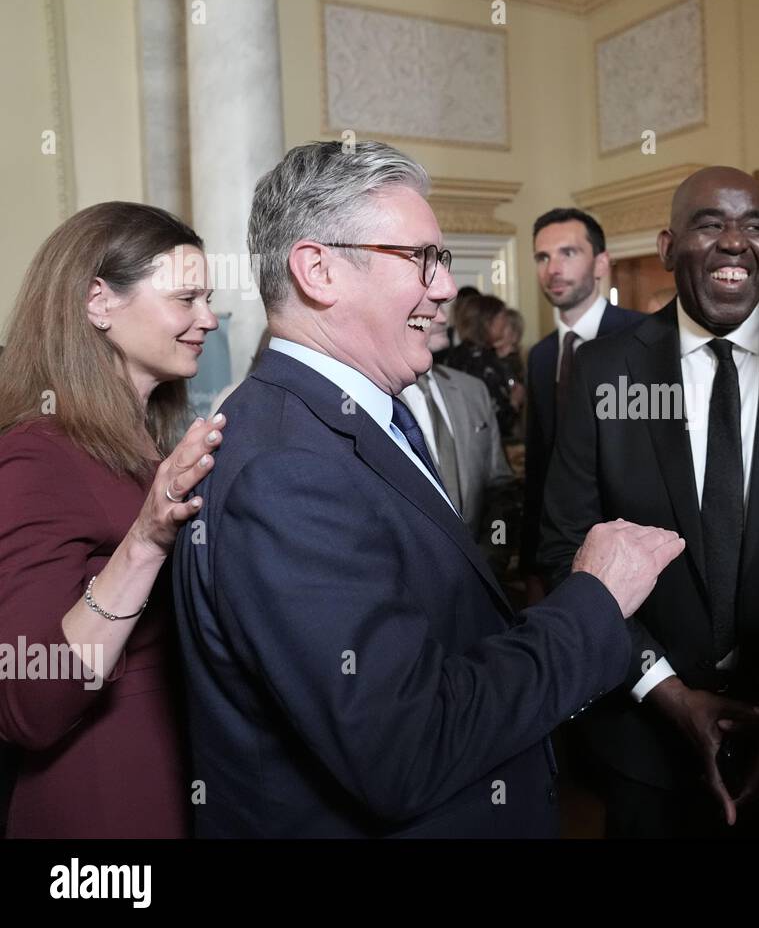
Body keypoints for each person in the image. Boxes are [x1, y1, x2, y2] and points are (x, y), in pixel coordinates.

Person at [172, 140, 684, 838]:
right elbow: (404, 745)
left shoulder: (346, 422)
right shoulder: (288, 471)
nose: (445, 288)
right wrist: (593, 599)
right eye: (422, 259)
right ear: (318, 269)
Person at [539, 167, 759, 837]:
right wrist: (667, 692)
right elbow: (565, 553)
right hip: (648, 745)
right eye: (711, 224)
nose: (736, 242)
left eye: (755, 226)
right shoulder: (602, 373)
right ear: (669, 245)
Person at [0, 201, 226, 837]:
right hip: (105, 802)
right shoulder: (36, 453)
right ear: (99, 302)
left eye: (207, 298)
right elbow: (29, 701)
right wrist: (146, 541)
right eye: (186, 299)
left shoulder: (142, 445)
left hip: (182, 774)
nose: (208, 319)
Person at [522, 208, 642, 604]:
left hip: (634, 549)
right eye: (543, 257)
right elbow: (540, 465)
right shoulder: (540, 356)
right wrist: (533, 564)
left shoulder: (644, 338)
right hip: (561, 556)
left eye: (568, 253)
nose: (553, 268)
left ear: (601, 263)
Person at [398, 301, 516, 542]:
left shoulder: (472, 390)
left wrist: (494, 555)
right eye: (428, 308)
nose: (443, 319)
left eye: (442, 308)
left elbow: (500, 486)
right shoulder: (369, 397)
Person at [445, 294, 523, 441]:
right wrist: (514, 402)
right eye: (503, 317)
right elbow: (494, 420)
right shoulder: (482, 361)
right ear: (488, 322)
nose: (506, 323)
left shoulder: (457, 353)